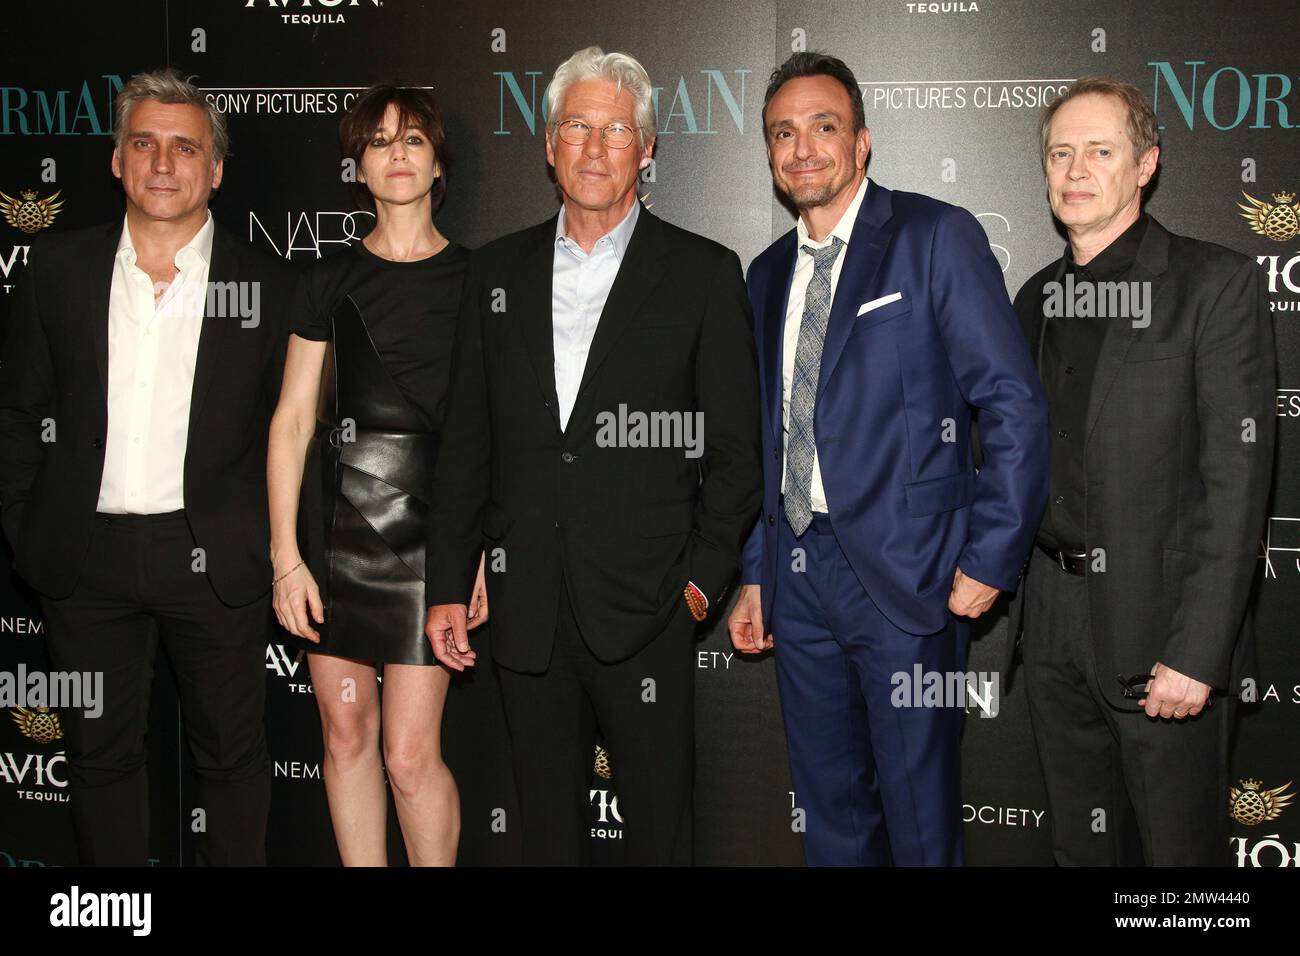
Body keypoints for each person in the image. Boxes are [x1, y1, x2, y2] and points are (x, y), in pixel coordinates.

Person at [423, 46, 762, 865]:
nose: (596, 147)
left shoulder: (704, 273)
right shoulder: (495, 272)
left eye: (618, 130)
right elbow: (468, 439)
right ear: (549, 145)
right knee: (547, 839)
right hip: (526, 606)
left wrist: (694, 588)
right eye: (578, 126)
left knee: (659, 836)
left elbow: (737, 455)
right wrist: (446, 579)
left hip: (649, 610)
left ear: (648, 150)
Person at [728, 52, 1049, 867]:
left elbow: (1010, 402)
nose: (802, 149)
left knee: (919, 816)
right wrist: (759, 569)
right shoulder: (764, 277)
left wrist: (992, 552)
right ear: (768, 153)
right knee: (831, 816)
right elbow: (768, 437)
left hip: (907, 575)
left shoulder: (934, 235)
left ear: (862, 142)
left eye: (823, 127)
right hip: (797, 577)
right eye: (782, 133)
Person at [0, 68, 299, 865]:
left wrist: (277, 551)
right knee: (99, 763)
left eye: (184, 147)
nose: (163, 164)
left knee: (231, 760)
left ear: (216, 170)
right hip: (82, 559)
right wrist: (27, 525)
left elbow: (295, 430)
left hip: (214, 559)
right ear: (117, 160)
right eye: (144, 144)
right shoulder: (57, 273)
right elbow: (18, 415)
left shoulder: (265, 286)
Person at [1005, 77, 1274, 865]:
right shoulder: (1034, 298)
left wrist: (1198, 651)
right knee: (1079, 849)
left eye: (1100, 150)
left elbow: (1237, 489)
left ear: (1147, 163)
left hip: (1165, 630)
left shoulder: (1212, 286)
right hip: (1051, 620)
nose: (1075, 169)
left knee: (1176, 862)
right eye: (1060, 152)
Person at [267, 85, 476, 866]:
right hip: (336, 530)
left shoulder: (480, 281)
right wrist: (285, 557)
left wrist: (475, 555)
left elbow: (489, 438)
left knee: (410, 756)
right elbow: (291, 423)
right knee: (345, 731)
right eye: (380, 141)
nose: (397, 154)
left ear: (438, 164)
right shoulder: (326, 279)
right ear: (356, 165)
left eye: (414, 140)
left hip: (433, 535)